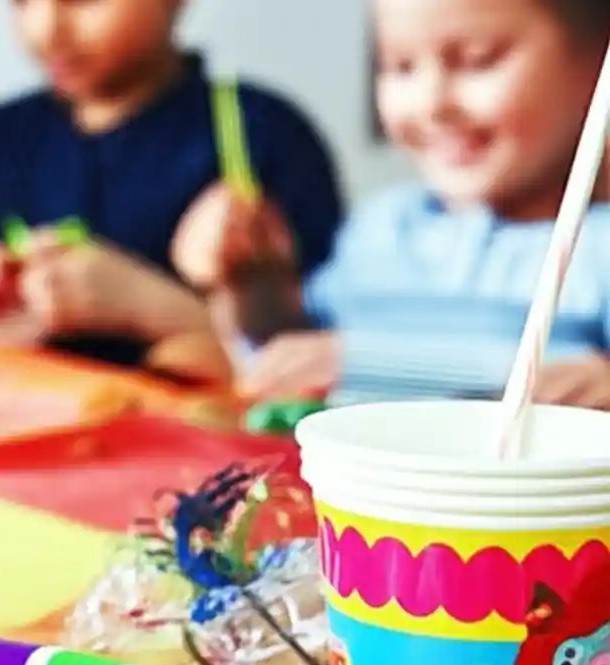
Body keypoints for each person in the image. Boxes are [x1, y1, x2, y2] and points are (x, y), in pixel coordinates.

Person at [226, 0, 610, 408]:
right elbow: (289, 354)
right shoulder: (382, 226)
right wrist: (253, 285)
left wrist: (363, 363)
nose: (432, 104)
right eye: (400, 66)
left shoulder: (597, 249)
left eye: (478, 61)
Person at [0, 0, 343, 368]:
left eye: (82, 1)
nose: (45, 30)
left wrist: (147, 304)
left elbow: (311, 359)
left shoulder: (264, 134)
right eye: (21, 2)